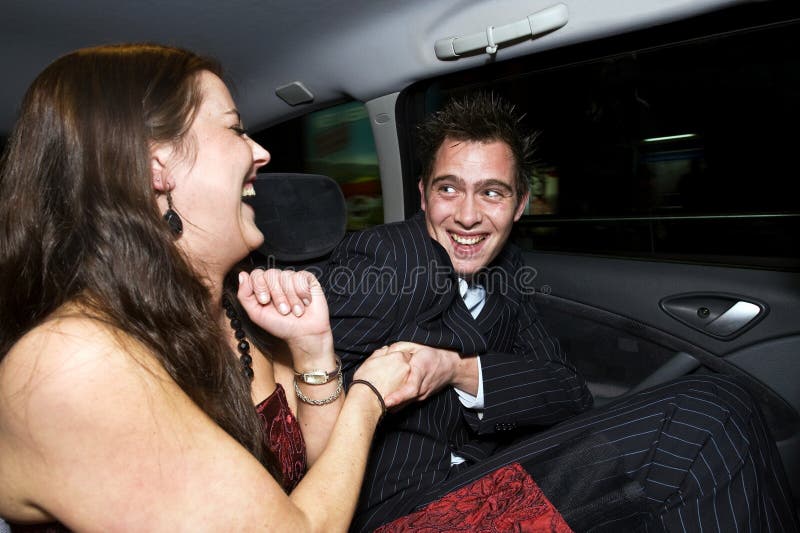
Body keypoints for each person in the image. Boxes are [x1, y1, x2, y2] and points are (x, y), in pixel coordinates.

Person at [321, 92, 800, 531]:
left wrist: (457, 370)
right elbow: (320, 402)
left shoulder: (506, 271)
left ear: (521, 203)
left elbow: (569, 392)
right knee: (704, 418)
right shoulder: (386, 258)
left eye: (492, 192)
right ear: (424, 194)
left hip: (488, 477)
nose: (467, 216)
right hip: (407, 512)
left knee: (722, 405)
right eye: (449, 189)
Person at [0, 43, 414, 531]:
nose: (260, 152)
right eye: (236, 128)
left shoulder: (231, 309)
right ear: (158, 167)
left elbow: (315, 473)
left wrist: (313, 350)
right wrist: (368, 398)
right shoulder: (70, 363)